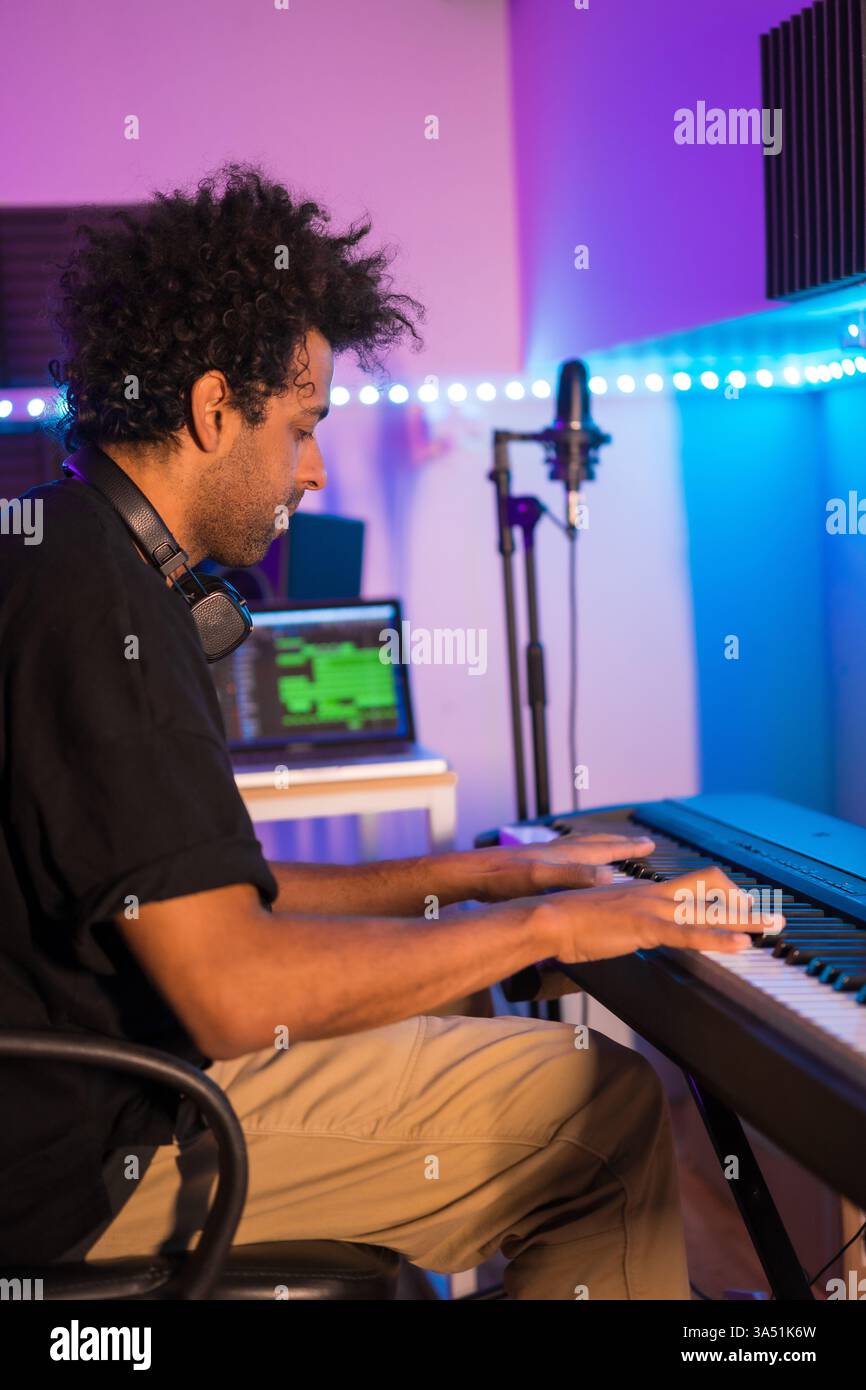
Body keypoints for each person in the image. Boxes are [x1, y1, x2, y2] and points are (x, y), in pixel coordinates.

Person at [0, 163, 760, 1298]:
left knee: (489, 1029)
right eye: (302, 427)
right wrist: (552, 921)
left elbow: (222, 904)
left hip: (90, 1108)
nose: (312, 471)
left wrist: (482, 878)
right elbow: (232, 986)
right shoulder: (101, 603)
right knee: (597, 1106)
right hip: (92, 1166)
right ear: (217, 410)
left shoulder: (63, 555)